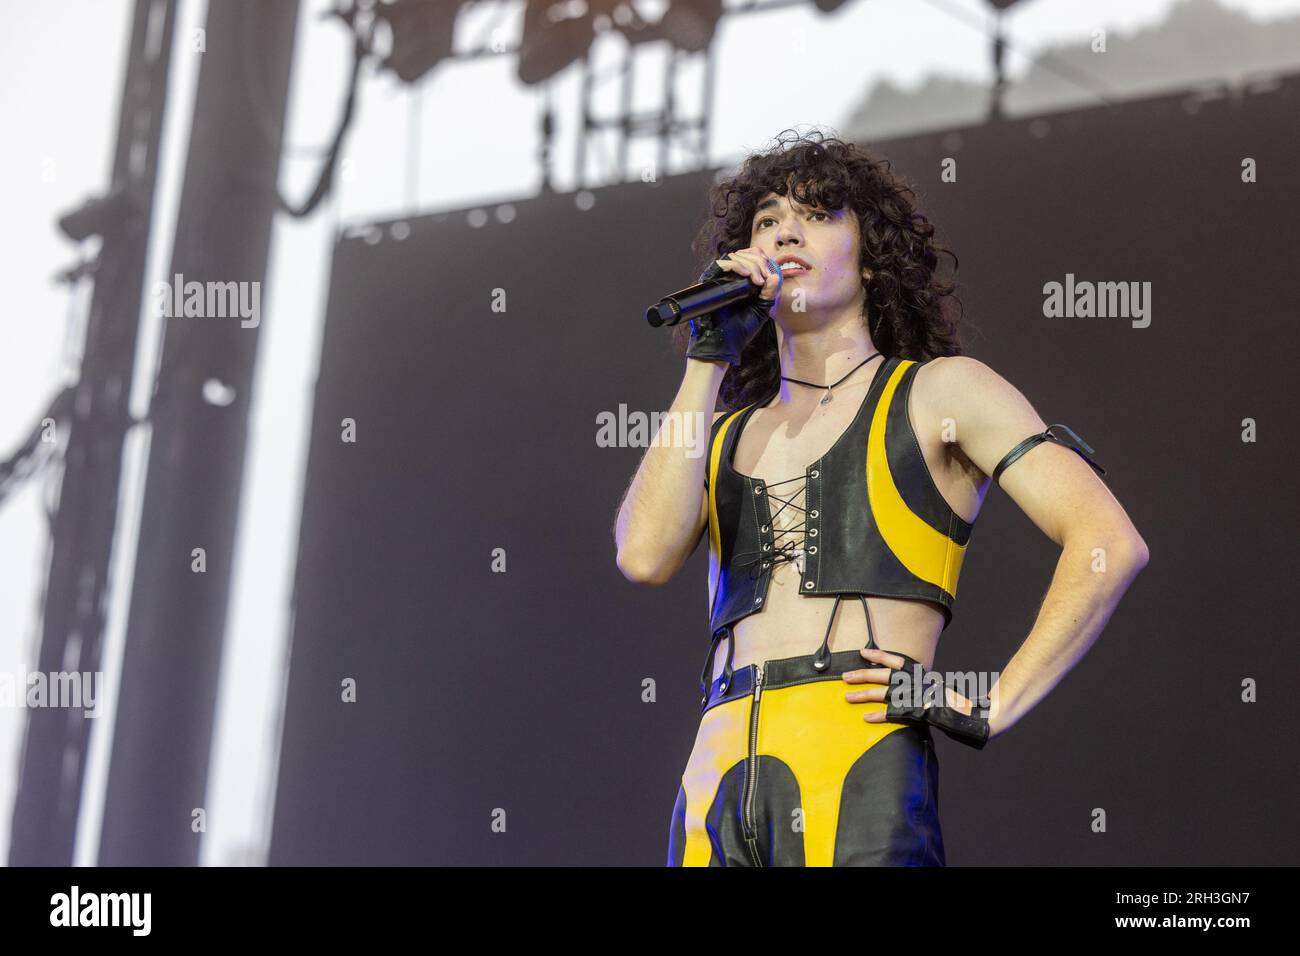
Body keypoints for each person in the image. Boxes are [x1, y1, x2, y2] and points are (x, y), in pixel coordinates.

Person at [613, 129, 1148, 867]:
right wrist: (708, 359)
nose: (785, 231)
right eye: (767, 219)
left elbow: (1108, 542)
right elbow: (642, 555)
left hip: (855, 751)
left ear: (872, 260)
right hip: (716, 766)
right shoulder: (723, 429)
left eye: (819, 213)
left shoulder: (940, 391)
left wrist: (989, 700)